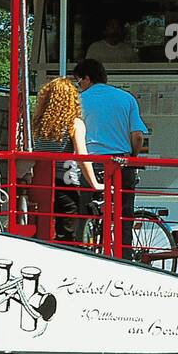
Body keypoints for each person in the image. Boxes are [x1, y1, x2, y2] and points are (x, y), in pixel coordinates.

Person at [72, 57, 148, 257]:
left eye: (79, 82)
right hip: (122, 163)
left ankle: (82, 253)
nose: (79, 87)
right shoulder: (126, 98)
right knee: (123, 215)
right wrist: (132, 155)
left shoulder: (80, 101)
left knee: (84, 212)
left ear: (86, 78)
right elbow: (138, 136)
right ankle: (125, 257)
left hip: (91, 163)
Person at [30, 77, 102, 244]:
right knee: (67, 233)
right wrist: (94, 183)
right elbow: (82, 155)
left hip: (41, 183)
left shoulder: (41, 123)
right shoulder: (74, 123)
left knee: (42, 229)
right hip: (65, 182)